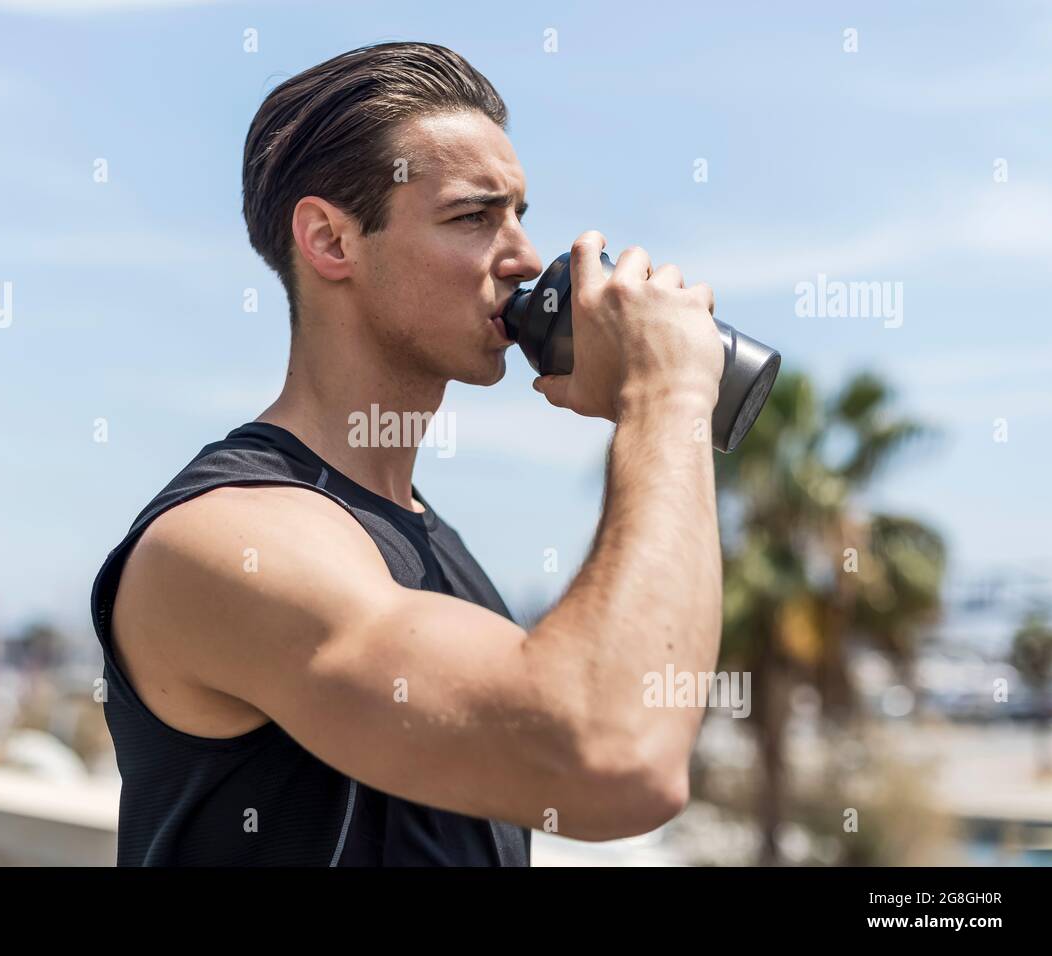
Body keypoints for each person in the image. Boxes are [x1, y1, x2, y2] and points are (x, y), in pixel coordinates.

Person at [90, 40, 724, 866]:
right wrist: (667, 398)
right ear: (330, 241)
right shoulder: (228, 542)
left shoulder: (428, 541)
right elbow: (613, 757)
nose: (526, 258)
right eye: (473, 216)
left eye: (520, 215)